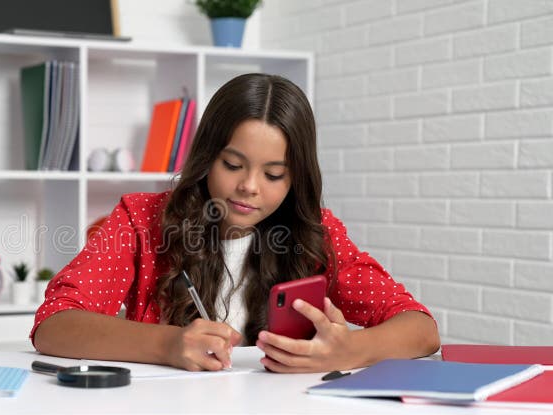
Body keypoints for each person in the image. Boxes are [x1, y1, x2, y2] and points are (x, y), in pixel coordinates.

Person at [31, 73, 440, 373]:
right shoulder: (141, 219)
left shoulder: (316, 231)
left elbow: (421, 328)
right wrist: (168, 344)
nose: (249, 187)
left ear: (295, 180)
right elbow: (54, 325)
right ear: (207, 157)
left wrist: (349, 350)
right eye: (232, 165)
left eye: (274, 175)